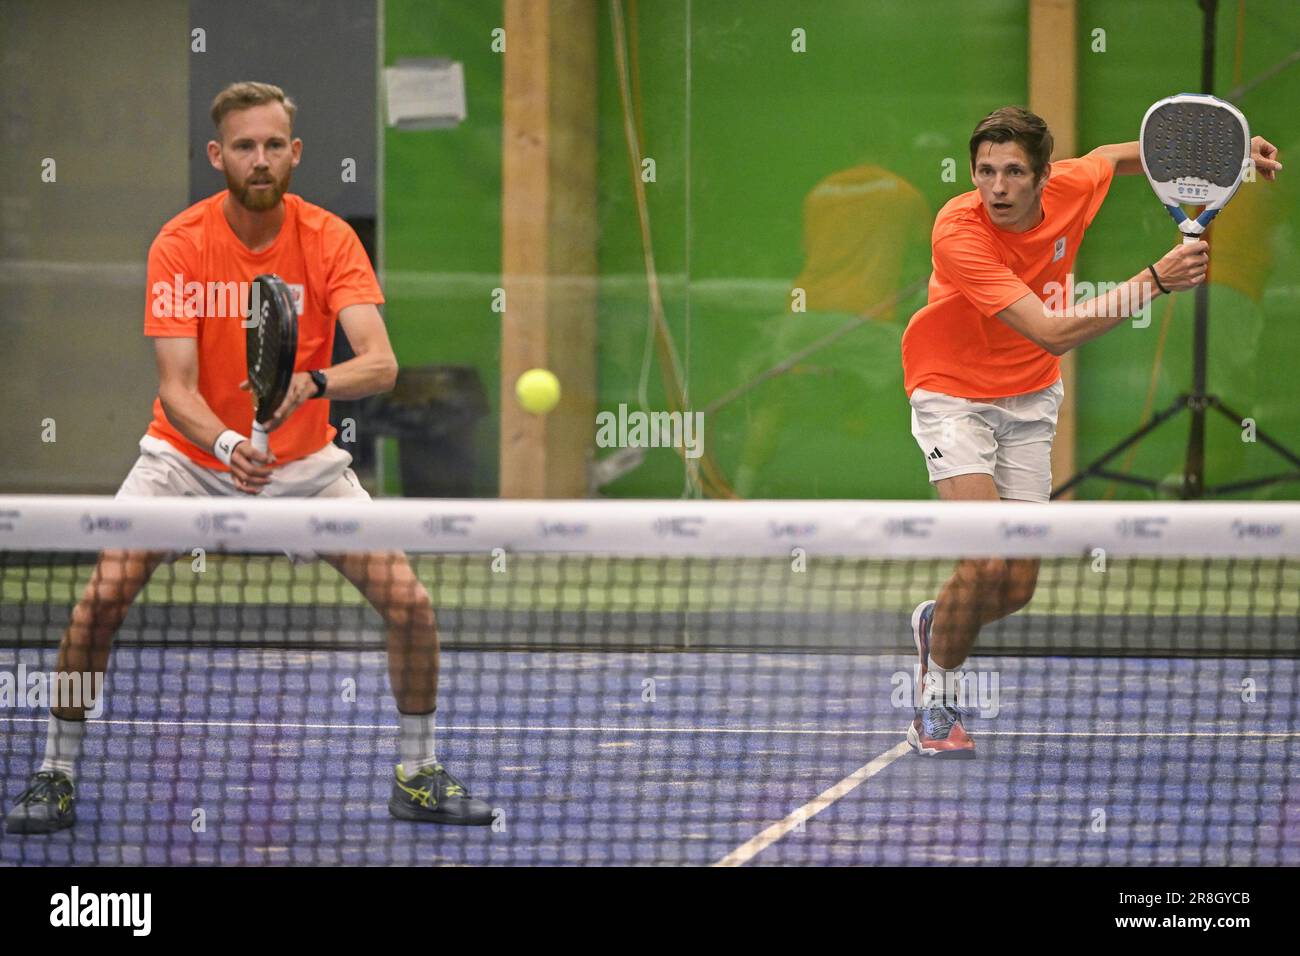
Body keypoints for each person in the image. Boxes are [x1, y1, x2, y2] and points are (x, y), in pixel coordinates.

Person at [5, 81, 493, 832]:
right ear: (217, 155)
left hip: (307, 469)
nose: (259, 160)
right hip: (187, 461)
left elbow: (382, 364)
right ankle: (55, 772)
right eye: (244, 146)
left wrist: (315, 381)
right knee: (100, 600)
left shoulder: (330, 238)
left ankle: (418, 770)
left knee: (411, 606)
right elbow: (176, 389)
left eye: (272, 145)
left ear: (293, 153)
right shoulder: (181, 243)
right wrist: (229, 444)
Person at [900, 105, 1282, 758]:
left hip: (1029, 395)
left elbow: (1114, 154)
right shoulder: (957, 232)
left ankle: (941, 623)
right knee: (985, 560)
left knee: (1017, 588)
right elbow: (1053, 330)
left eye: (1015, 172)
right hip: (952, 391)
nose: (997, 187)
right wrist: (1157, 280)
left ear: (1045, 175)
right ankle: (936, 693)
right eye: (985, 171)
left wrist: (1228, 163)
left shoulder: (1074, 183)